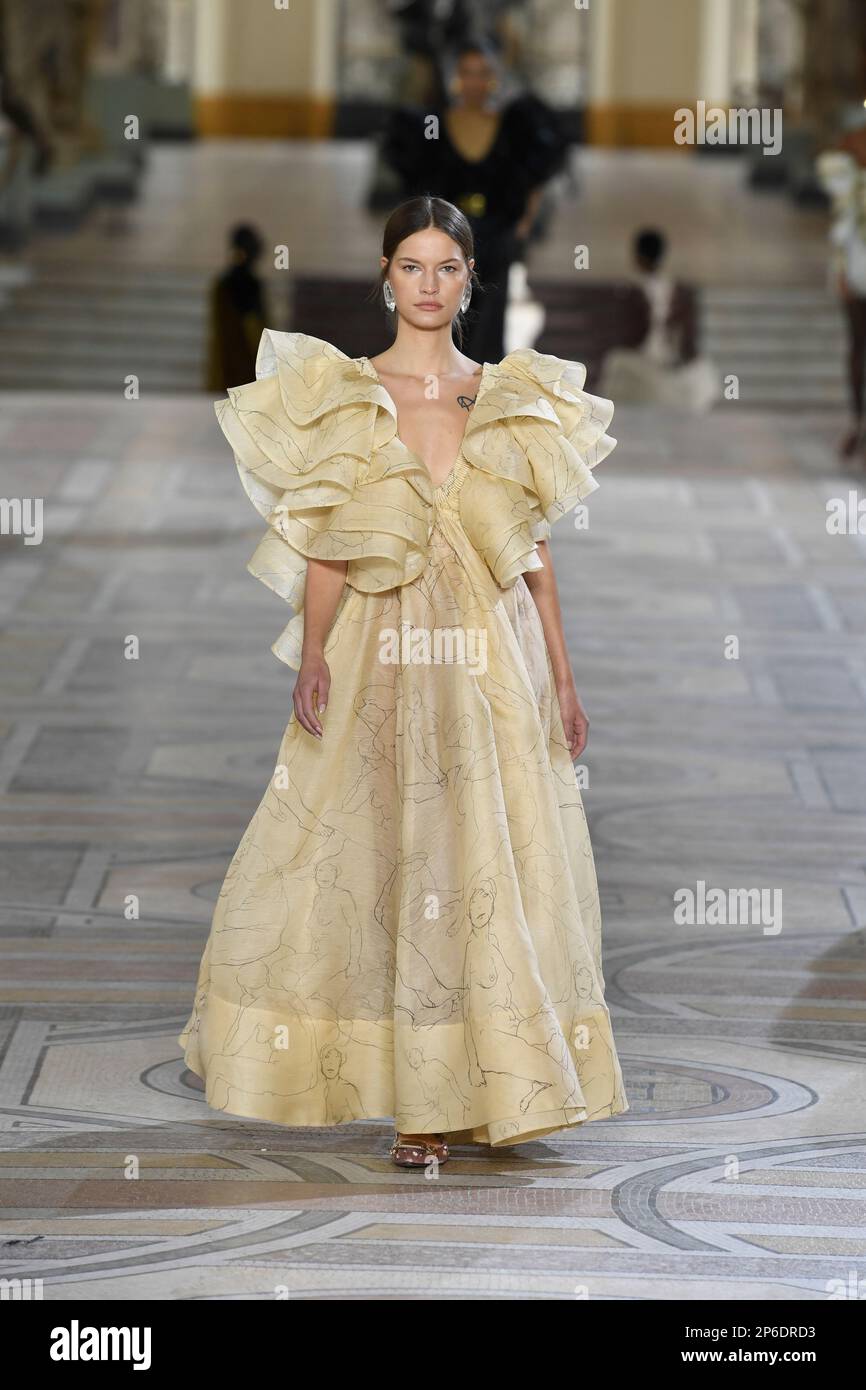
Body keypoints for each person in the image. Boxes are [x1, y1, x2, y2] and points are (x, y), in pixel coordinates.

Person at [177, 194, 629, 1167]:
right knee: (378, 860)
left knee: (483, 866)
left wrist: (562, 676)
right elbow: (330, 543)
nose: (428, 285)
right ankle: (417, 1104)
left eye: (446, 267)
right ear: (386, 274)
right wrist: (310, 656)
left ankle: (483, 1081)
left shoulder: (509, 396)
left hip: (485, 658)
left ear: (470, 280)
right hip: (381, 652)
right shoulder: (347, 393)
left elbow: (534, 553)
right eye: (411, 266)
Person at [380, 40, 567, 362]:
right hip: (445, 241)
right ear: (456, 79)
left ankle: (479, 392)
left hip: (495, 238)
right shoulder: (432, 126)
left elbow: (532, 174)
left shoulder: (512, 128)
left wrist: (524, 220)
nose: (474, 81)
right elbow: (417, 180)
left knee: (490, 323)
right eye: (467, 72)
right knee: (440, 314)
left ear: (493, 79)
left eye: (482, 73)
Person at [599, 227, 718, 415]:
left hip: (651, 366)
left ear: (637, 256)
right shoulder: (673, 290)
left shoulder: (631, 292)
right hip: (656, 366)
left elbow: (629, 334)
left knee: (615, 367)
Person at [816, 123, 866, 459]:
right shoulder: (848, 182)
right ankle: (857, 422)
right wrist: (842, 275)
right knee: (857, 346)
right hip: (858, 270)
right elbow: (842, 229)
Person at [204, 223, 270, 392]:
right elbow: (256, 327)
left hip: (230, 365)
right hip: (243, 364)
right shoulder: (245, 284)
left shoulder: (224, 283)